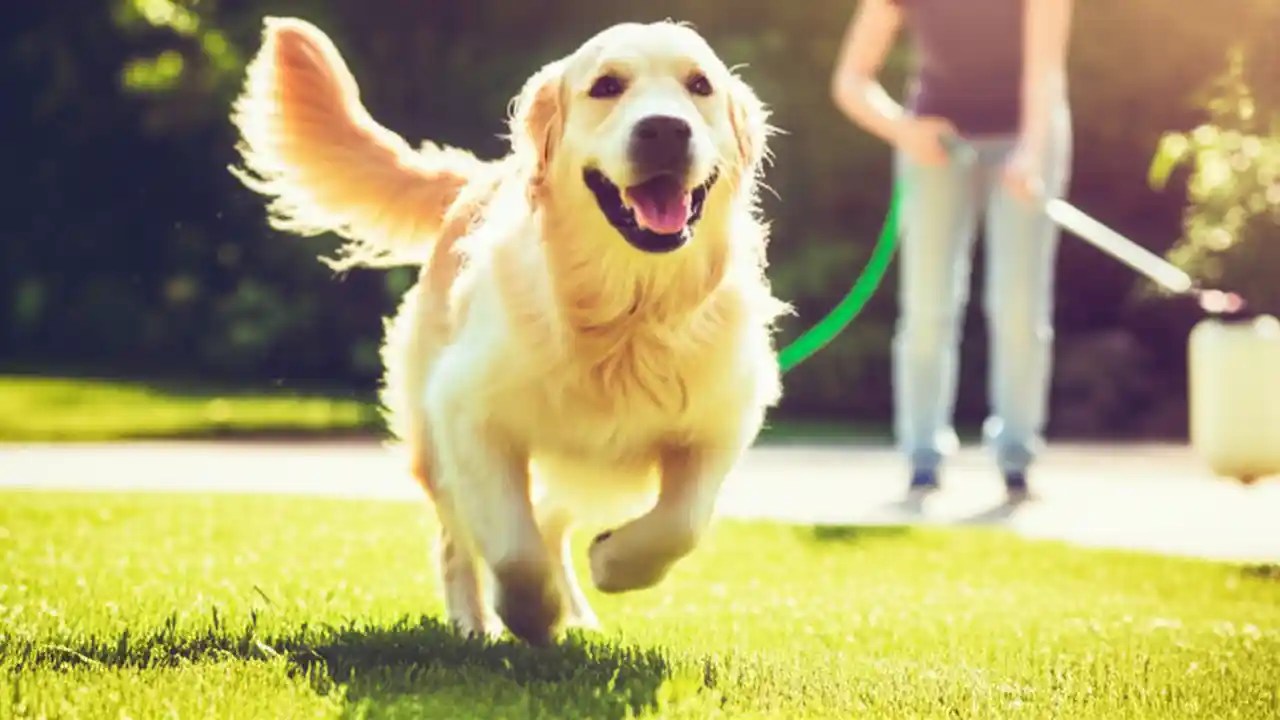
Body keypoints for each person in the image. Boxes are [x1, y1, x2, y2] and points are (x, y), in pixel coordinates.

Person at [831, 0, 1074, 503]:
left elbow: (1044, 69)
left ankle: (1016, 458)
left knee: (1019, 306)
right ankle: (922, 460)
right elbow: (851, 80)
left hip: (1025, 135)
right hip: (934, 143)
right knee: (927, 307)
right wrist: (904, 129)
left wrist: (1030, 153)